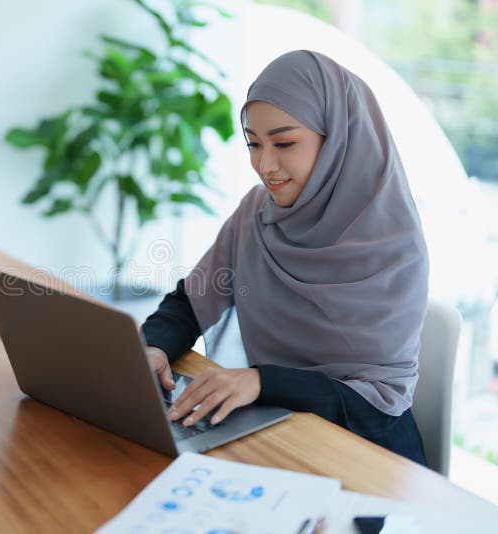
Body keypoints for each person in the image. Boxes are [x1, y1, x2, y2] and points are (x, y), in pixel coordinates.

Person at [141, 50, 429, 465]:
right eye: (254, 144)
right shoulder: (257, 214)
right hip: (275, 432)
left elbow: (376, 406)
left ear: (339, 139)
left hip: (369, 458)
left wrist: (262, 382)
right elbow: (192, 299)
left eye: (285, 143)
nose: (265, 165)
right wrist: (154, 347)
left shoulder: (395, 247)